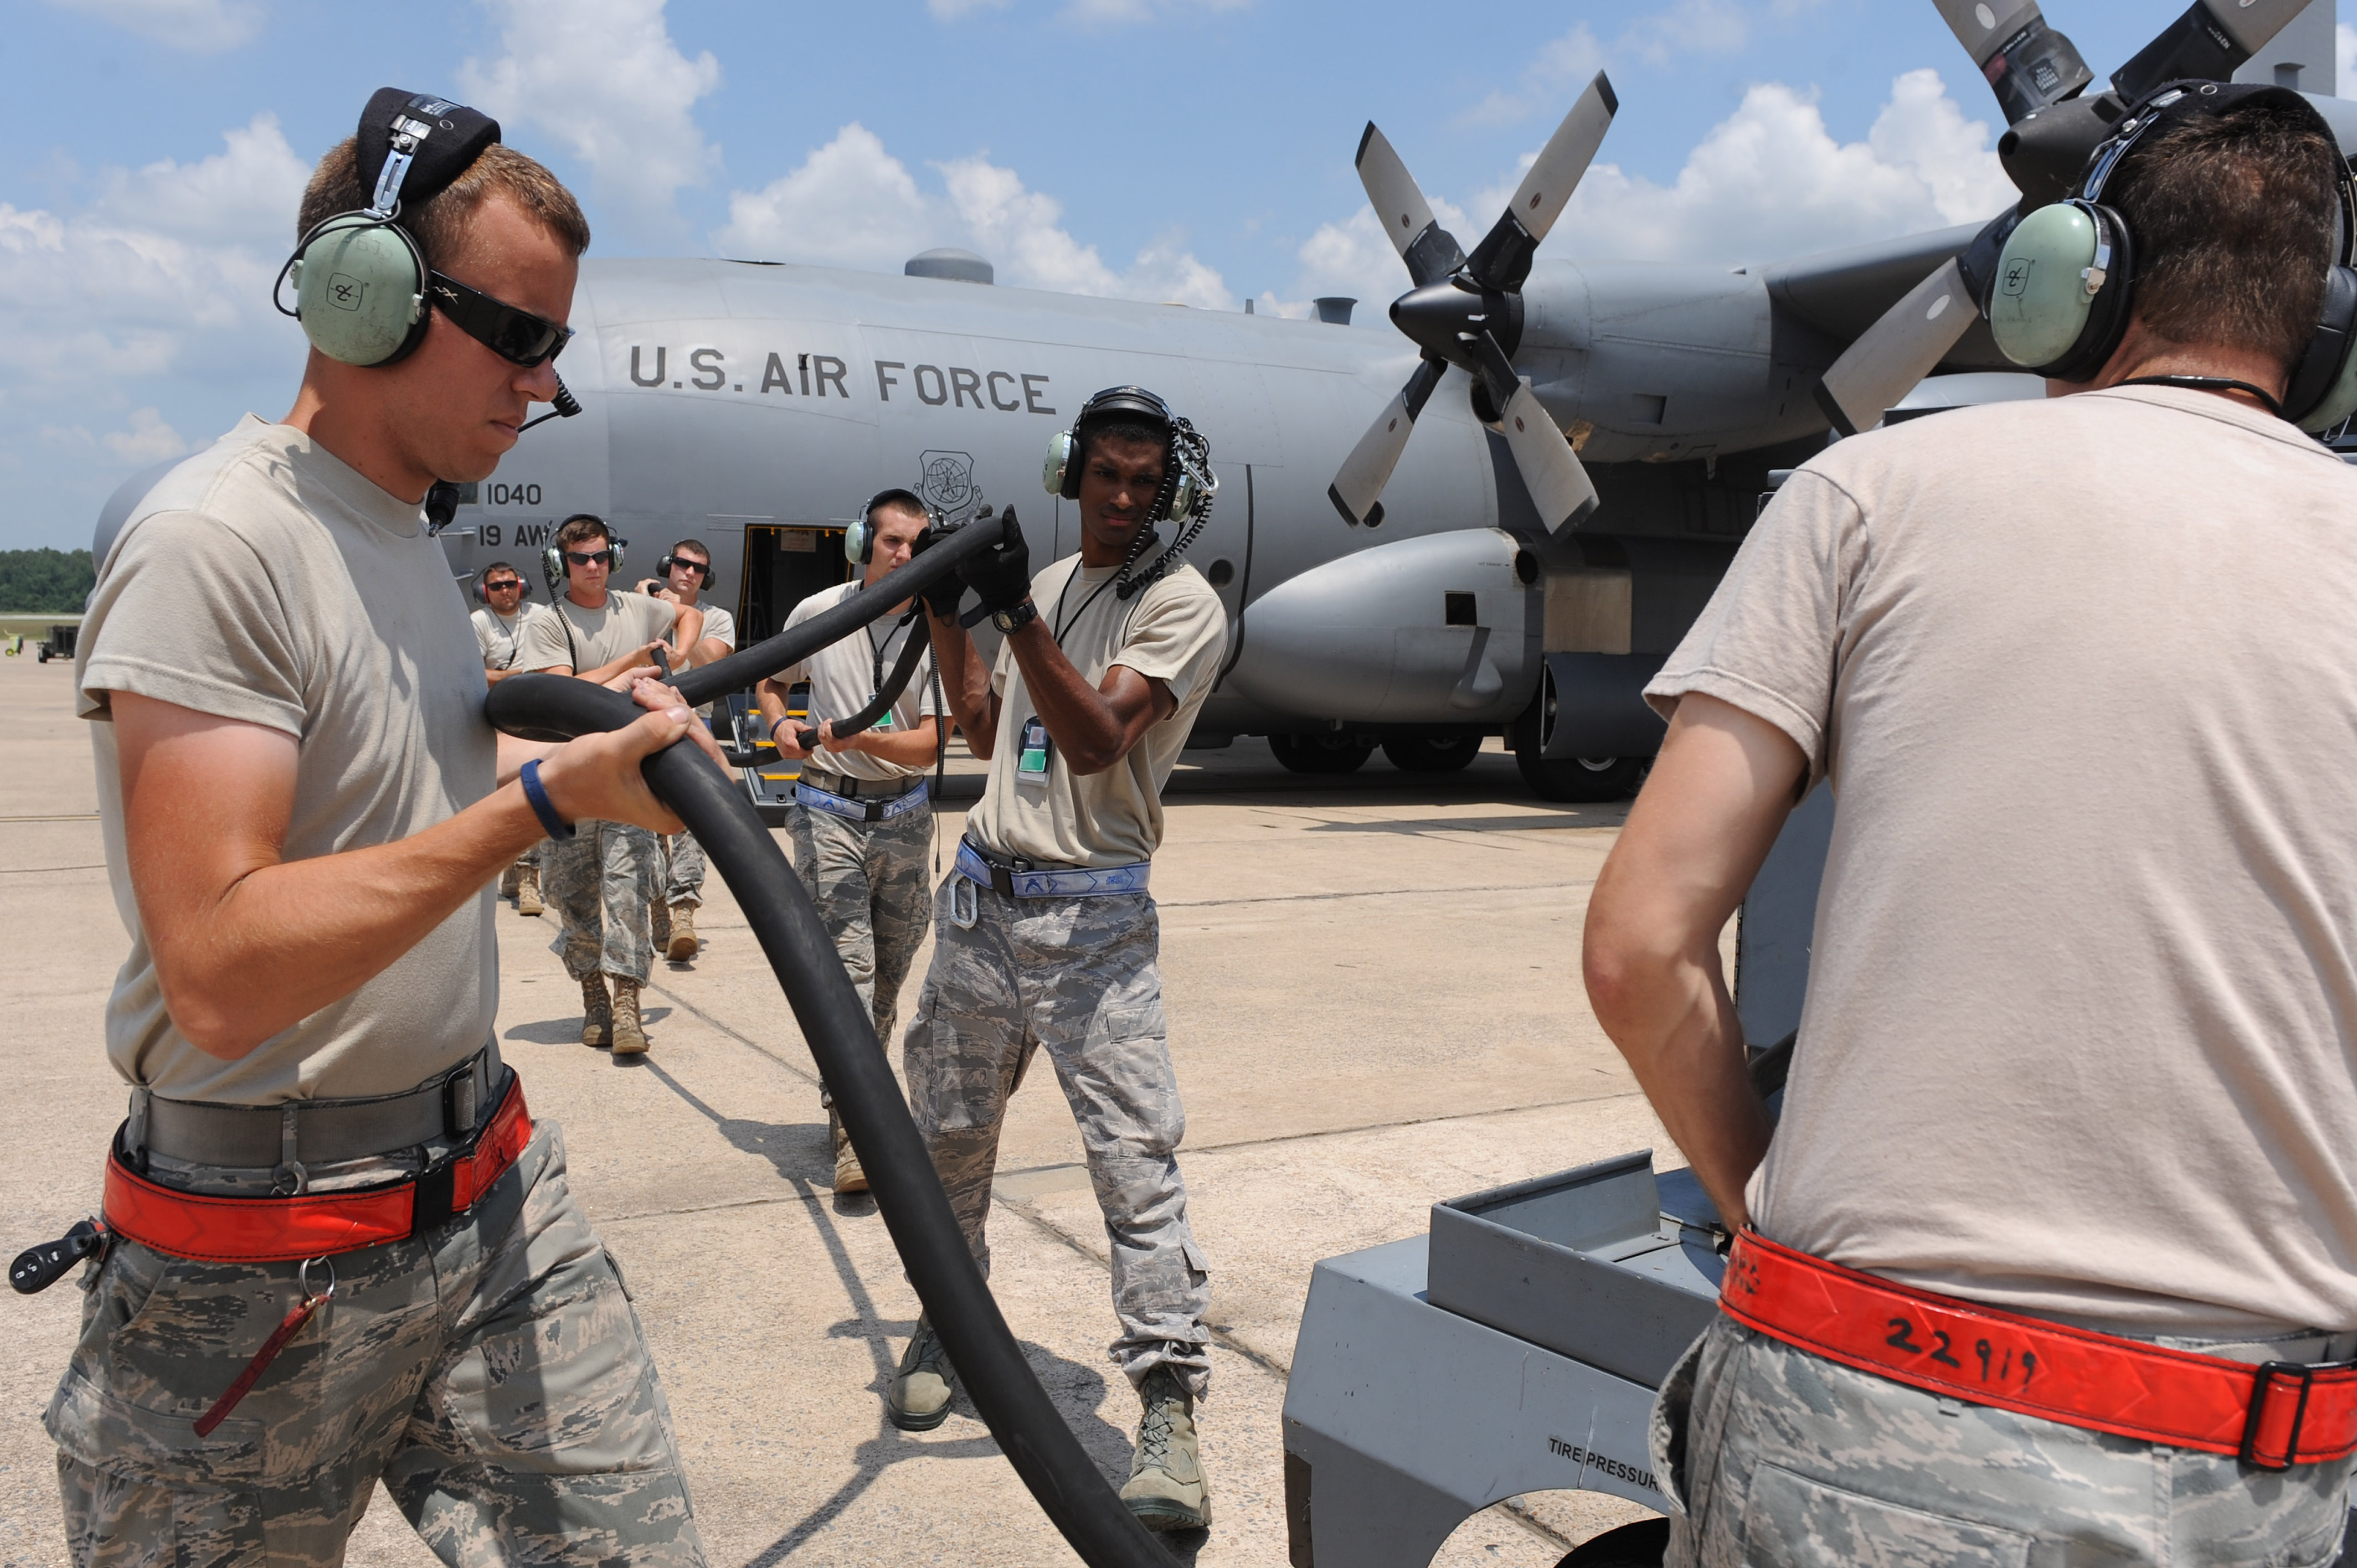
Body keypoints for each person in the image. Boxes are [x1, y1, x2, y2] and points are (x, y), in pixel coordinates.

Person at [1581, 86, 2357, 1568]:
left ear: (2076, 282)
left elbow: (1639, 946)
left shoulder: (1868, 492)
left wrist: (1759, 1201)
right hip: (2251, 1467)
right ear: (2323, 337)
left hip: (1852, 1415)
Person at [55, 89, 713, 1567]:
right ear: (368, 299)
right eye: (522, 337)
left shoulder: (404, 533)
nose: (547, 388)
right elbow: (221, 966)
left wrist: (607, 702)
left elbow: (406, 745)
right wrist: (539, 808)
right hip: (259, 1263)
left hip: (486, 1198)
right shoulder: (216, 544)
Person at [894, 388, 1226, 1533]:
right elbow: (990, 734)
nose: (1124, 502)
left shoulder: (1182, 607)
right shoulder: (1045, 588)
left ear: (1170, 496)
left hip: (1092, 926)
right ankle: (948, 1315)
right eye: (1106, 478)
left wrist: (1015, 621)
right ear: (1070, 476)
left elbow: (1094, 742)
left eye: (1145, 484)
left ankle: (1171, 1402)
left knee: (1135, 1164)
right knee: (944, 1134)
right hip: (985, 903)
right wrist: (950, 615)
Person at [752, 491, 941, 1196]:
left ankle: (859, 1095)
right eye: (891, 541)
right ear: (864, 541)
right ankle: (855, 1131)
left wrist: (860, 736)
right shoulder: (819, 612)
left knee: (889, 981)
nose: (903, 556)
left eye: (916, 546)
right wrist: (778, 726)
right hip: (828, 810)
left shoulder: (936, 627)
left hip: (905, 821)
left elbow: (929, 746)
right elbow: (771, 679)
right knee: (850, 975)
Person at [517, 513, 699, 1056]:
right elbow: (562, 695)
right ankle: (592, 994)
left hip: (626, 780)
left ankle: (625, 1006)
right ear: (561, 564)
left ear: (613, 556)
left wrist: (680, 651)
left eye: (600, 556)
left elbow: (686, 614)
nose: (592, 567)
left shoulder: (638, 607)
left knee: (627, 892)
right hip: (569, 780)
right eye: (579, 559)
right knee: (572, 900)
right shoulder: (547, 623)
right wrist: (632, 662)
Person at [641, 538, 735, 962]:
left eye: (698, 568)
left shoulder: (718, 619)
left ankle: (683, 914)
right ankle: (658, 907)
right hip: (642, 730)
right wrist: (650, 607)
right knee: (647, 830)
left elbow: (707, 663)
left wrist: (682, 620)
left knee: (692, 825)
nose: (689, 573)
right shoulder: (639, 607)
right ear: (668, 565)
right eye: (681, 564)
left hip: (690, 731)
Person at [471, 559, 549, 914]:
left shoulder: (542, 615)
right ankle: (516, 872)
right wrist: (518, 676)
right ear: (485, 593)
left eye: (510, 584)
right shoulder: (479, 623)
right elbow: (474, 672)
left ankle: (528, 880)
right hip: (500, 718)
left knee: (533, 792)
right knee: (508, 800)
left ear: (523, 586)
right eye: (497, 586)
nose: (506, 591)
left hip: (535, 717)